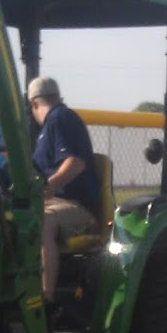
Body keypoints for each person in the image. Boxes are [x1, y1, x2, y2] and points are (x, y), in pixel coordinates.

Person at [26, 76, 100, 303]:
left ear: (34, 104)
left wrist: (49, 186)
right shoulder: (47, 129)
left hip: (76, 206)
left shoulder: (61, 118)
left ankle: (44, 300)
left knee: (42, 222)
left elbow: (76, 162)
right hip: (53, 203)